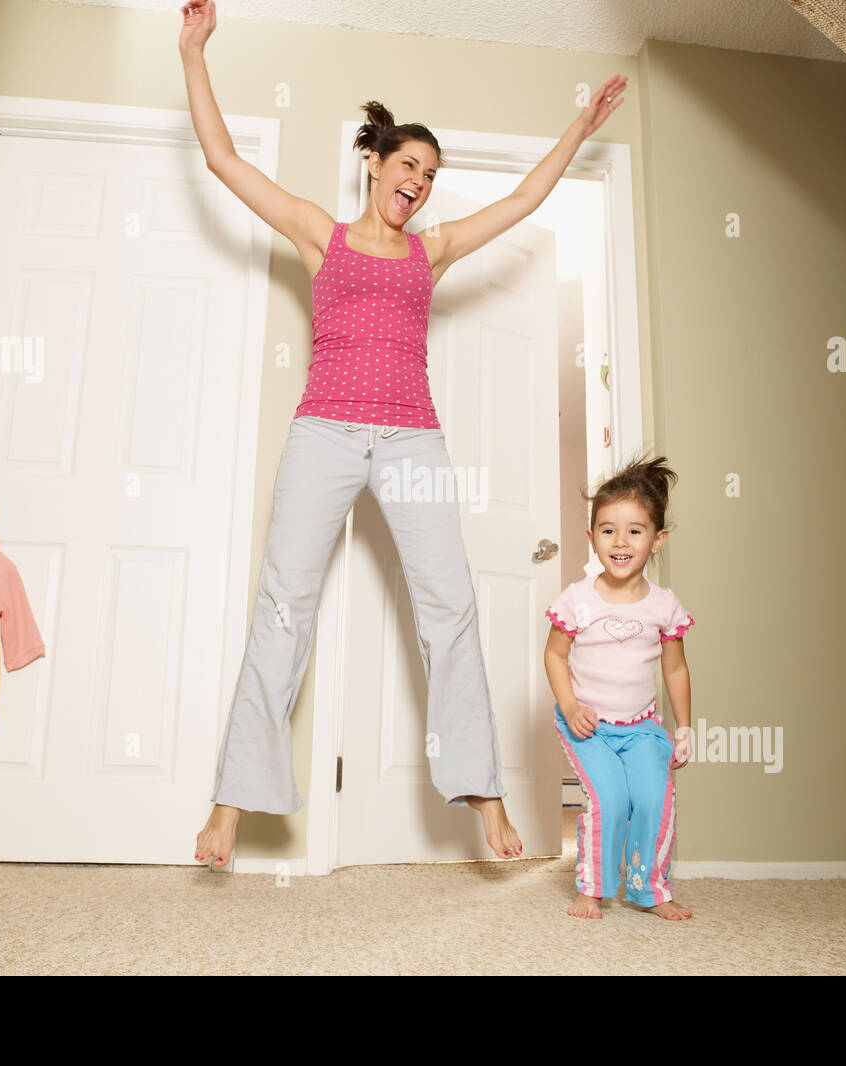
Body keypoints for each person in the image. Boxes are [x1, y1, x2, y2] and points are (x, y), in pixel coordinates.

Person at [178, 0, 628, 868]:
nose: (418, 181)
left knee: (449, 608)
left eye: (430, 173)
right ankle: (231, 806)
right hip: (326, 432)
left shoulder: (437, 248)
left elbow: (527, 197)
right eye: (408, 164)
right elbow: (224, 160)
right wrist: (194, 53)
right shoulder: (323, 234)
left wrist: (580, 125)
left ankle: (485, 799)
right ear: (375, 163)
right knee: (283, 606)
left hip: (412, 440)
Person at [543, 454, 695, 919]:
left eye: (635, 530)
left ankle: (650, 889)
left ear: (657, 539)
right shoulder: (577, 599)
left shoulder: (665, 606)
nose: (621, 541)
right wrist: (569, 706)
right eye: (608, 530)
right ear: (592, 539)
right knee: (610, 799)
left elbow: (674, 669)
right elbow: (555, 655)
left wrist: (684, 727)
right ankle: (593, 888)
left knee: (653, 799)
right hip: (587, 726)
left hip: (643, 727)